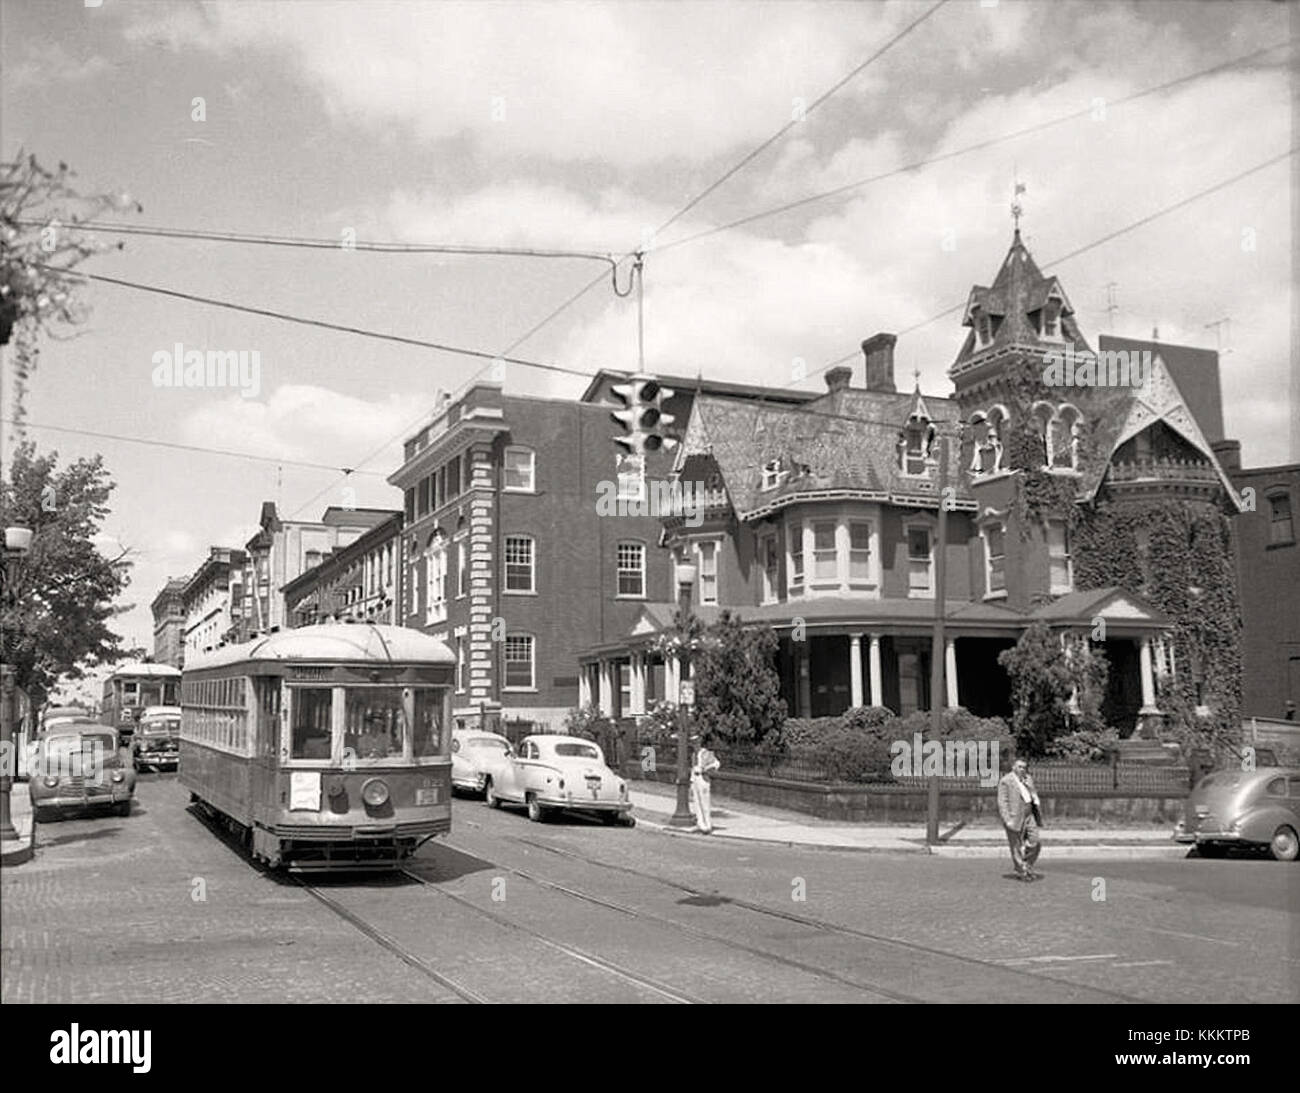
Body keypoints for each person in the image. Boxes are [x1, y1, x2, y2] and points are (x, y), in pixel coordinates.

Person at [997, 758, 1043, 881]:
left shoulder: (1028, 779)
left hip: (1029, 814)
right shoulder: (1006, 781)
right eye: (1019, 766)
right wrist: (1007, 820)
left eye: (1024, 767)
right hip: (1015, 815)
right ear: (1013, 767)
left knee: (1035, 841)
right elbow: (1002, 802)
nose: (1022, 769)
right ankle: (1021, 871)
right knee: (1016, 846)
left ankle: (1027, 864)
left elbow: (1033, 794)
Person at [690, 738, 721, 834]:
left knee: (705, 802)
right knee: (697, 802)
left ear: (699, 743)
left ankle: (708, 824)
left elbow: (716, 764)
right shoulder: (694, 755)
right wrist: (691, 781)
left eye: (695, 743)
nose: (694, 745)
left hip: (703, 778)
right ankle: (701, 823)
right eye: (692, 743)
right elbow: (693, 767)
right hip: (695, 778)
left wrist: (705, 769)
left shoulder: (706, 753)